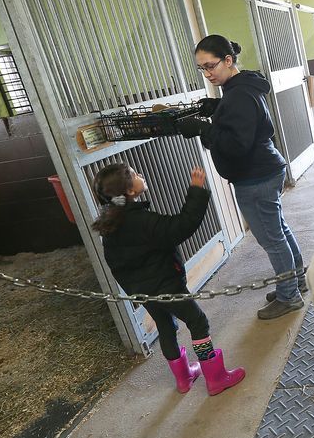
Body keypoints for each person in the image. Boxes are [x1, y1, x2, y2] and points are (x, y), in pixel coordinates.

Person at [176, 34, 306, 320]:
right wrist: (217, 111)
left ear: (228, 60)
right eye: (202, 69)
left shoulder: (238, 95)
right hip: (265, 168)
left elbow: (237, 145)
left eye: (211, 66)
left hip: (254, 176)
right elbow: (243, 123)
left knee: (272, 238)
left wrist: (203, 129)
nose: (208, 74)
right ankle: (296, 281)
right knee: (279, 230)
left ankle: (289, 296)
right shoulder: (242, 86)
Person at [92, 162, 245, 396]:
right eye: (135, 174)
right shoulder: (141, 221)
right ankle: (216, 378)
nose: (140, 174)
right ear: (130, 191)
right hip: (165, 284)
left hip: (140, 289)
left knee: (165, 325)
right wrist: (196, 190)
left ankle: (184, 378)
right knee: (198, 322)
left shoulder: (111, 222)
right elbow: (181, 226)